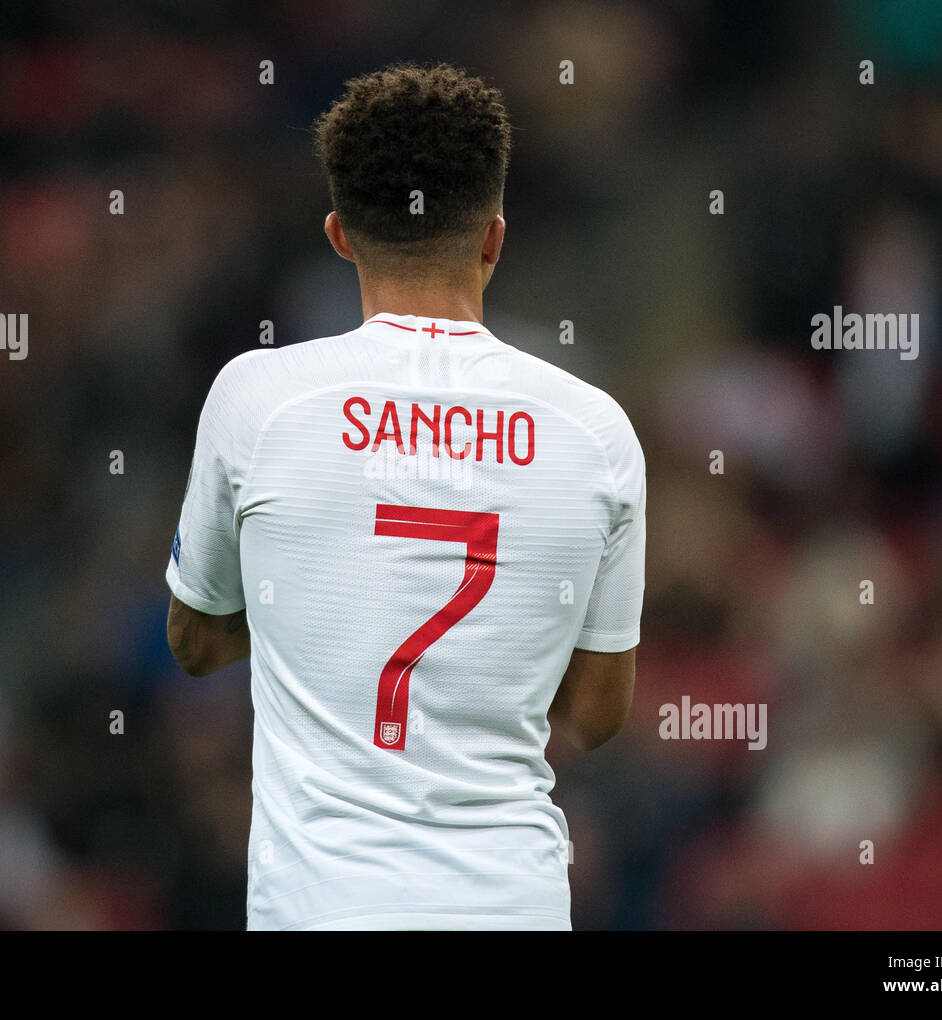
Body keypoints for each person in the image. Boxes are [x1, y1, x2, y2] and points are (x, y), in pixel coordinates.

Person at [165, 62, 646, 930]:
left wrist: (321, 607)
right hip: (513, 905)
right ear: (495, 238)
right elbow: (596, 716)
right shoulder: (596, 431)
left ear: (340, 235)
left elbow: (195, 642)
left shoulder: (259, 397)